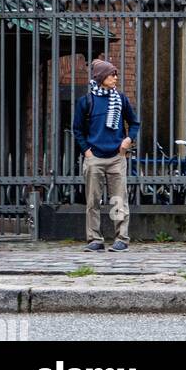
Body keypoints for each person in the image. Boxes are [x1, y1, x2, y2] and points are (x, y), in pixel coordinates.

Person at [72, 58, 139, 252]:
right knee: (93, 201)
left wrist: (128, 140)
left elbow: (134, 123)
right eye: (112, 74)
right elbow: (77, 129)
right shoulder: (86, 102)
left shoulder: (121, 99)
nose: (115, 77)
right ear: (101, 77)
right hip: (95, 157)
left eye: (116, 74)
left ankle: (121, 239)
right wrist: (87, 151)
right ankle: (94, 239)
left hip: (117, 158)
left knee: (118, 200)